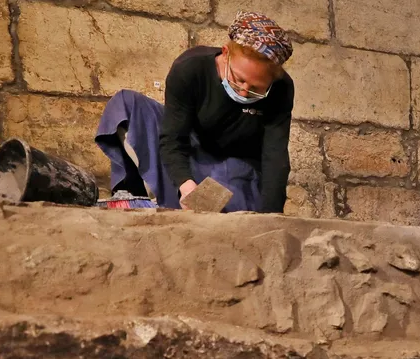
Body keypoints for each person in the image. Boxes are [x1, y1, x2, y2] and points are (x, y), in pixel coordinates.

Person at [95, 11, 294, 213]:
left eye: (256, 88)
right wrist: (185, 184)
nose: (244, 91)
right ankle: (142, 197)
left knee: (228, 202)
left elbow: (275, 158)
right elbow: (173, 138)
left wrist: (271, 216)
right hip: (191, 152)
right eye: (239, 79)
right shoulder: (191, 68)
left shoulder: (282, 89)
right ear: (226, 53)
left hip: (235, 168)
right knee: (126, 105)